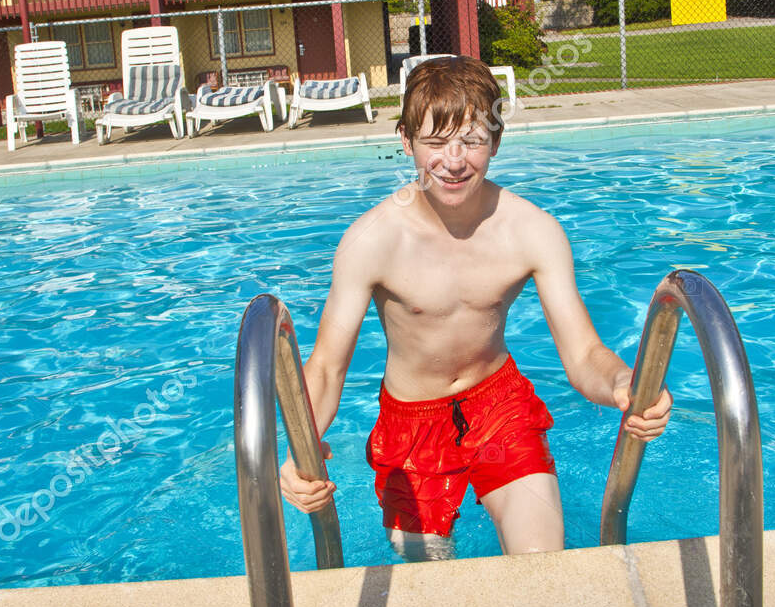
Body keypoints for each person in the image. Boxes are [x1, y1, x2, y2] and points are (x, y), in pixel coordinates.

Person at [280, 56, 671, 559]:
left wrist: (623, 383)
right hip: (411, 425)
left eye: (472, 140)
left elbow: (583, 354)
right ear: (406, 142)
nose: (454, 161)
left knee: (543, 564)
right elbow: (327, 367)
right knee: (428, 576)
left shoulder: (532, 231)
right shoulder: (371, 241)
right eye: (435, 142)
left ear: (497, 141)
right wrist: (299, 446)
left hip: (500, 408)